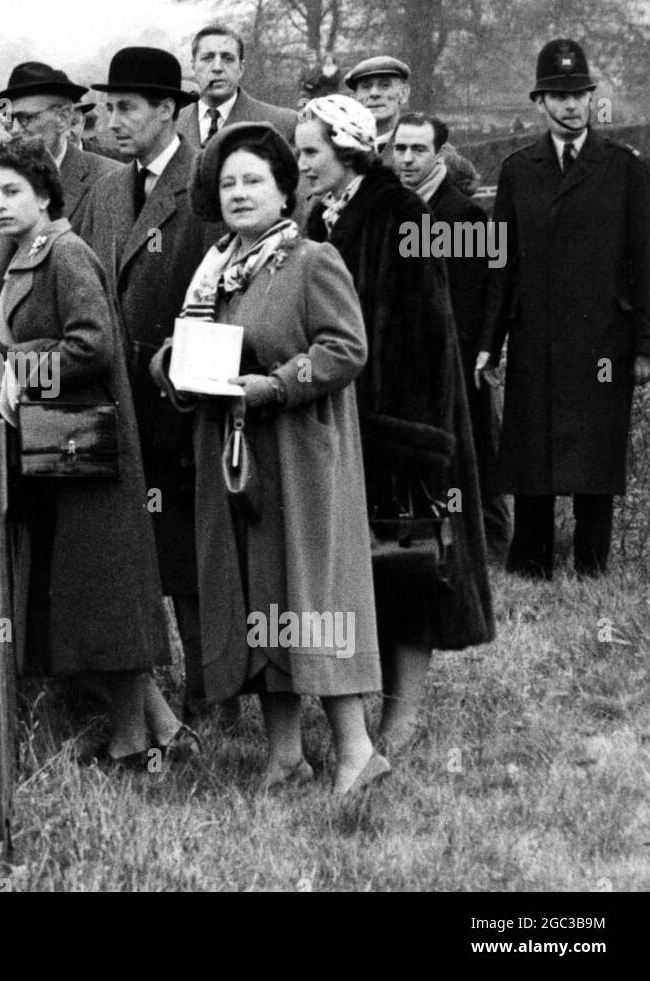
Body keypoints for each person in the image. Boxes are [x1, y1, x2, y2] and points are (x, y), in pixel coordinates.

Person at [149, 122, 386, 795]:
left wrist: (277, 384)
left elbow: (346, 349)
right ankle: (285, 755)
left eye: (254, 179)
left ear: (285, 190)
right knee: (257, 597)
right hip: (234, 457)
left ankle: (357, 750)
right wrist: (172, 364)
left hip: (298, 458)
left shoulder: (312, 261)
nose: (239, 192)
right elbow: (206, 347)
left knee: (311, 596)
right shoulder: (214, 270)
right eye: (227, 182)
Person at [0, 138, 195, 767]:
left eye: (13, 191)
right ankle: (164, 731)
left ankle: (132, 745)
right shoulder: (28, 254)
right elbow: (33, 333)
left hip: (89, 451)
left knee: (103, 596)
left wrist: (18, 364)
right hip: (63, 450)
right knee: (96, 595)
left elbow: (93, 345)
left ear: (45, 195)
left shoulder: (66, 253)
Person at [298, 95, 495, 756]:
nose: (301, 166)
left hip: (400, 420)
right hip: (341, 423)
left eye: (311, 153)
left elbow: (423, 332)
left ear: (347, 150)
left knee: (411, 562)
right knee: (367, 573)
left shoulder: (398, 213)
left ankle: (403, 719)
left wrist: (408, 437)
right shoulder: (319, 217)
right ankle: (372, 711)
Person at [77, 46, 224, 725]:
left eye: (128, 107)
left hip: (188, 398)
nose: (114, 121)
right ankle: (161, 701)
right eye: (108, 108)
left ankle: (213, 693)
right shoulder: (107, 189)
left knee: (197, 559)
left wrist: (195, 371)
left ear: (170, 110)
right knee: (143, 553)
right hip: (123, 399)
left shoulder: (209, 182)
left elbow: (230, 287)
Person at [477, 39, 650, 579]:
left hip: (604, 340)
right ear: (540, 102)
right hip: (535, 336)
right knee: (533, 454)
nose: (570, 105)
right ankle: (530, 565)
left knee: (594, 458)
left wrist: (647, 346)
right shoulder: (517, 170)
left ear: (590, 99)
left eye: (578, 93)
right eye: (558, 95)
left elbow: (647, 261)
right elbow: (499, 262)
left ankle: (591, 567)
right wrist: (489, 341)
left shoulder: (624, 168)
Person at [393, 112, 513, 564]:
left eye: (417, 149)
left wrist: (481, 351)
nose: (406, 158)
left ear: (439, 153)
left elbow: (480, 293)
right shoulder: (392, 207)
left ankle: (490, 550)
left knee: (473, 453)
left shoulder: (464, 216)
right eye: (400, 148)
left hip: (457, 358)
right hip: (407, 359)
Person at [0, 62, 119, 343]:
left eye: (26, 118)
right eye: (10, 120)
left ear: (65, 118)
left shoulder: (111, 181)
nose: (16, 129)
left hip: (72, 369)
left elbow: (105, 311)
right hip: (7, 369)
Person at [344, 55, 479, 195]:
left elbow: (465, 187)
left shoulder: (433, 148)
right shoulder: (340, 149)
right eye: (366, 87)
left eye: (385, 85)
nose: (374, 93)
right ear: (354, 100)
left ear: (403, 94)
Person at [177, 25, 297, 150]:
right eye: (207, 58)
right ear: (193, 66)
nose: (217, 67)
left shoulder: (282, 124)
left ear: (241, 68)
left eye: (228, 59)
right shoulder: (171, 124)